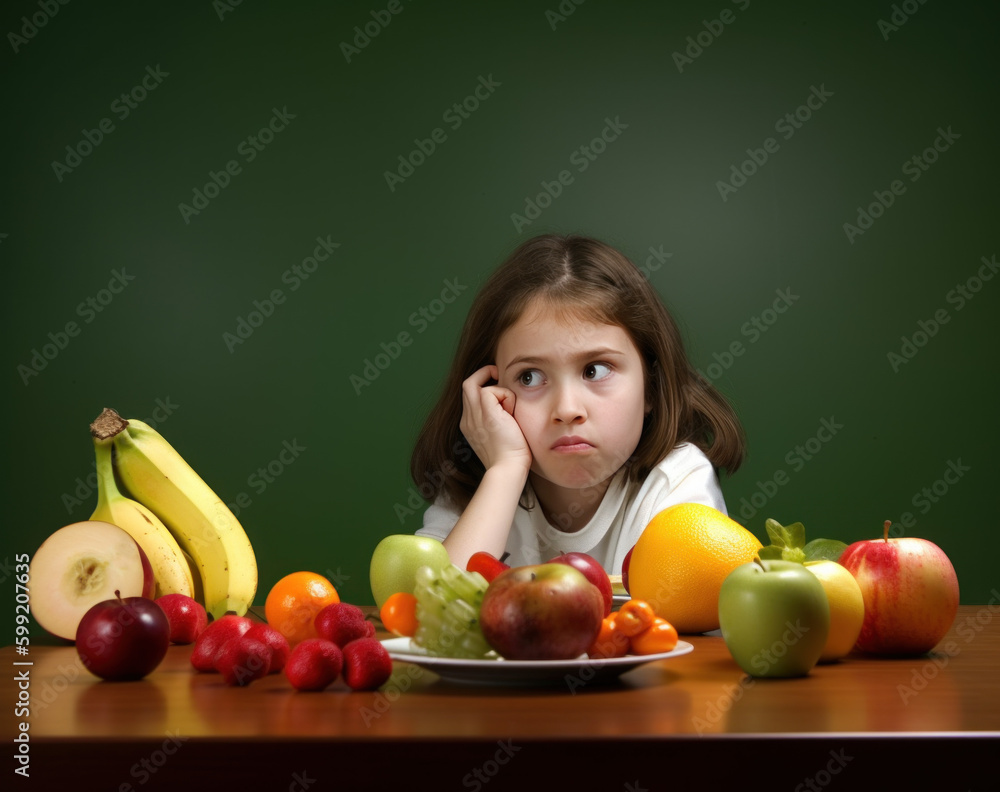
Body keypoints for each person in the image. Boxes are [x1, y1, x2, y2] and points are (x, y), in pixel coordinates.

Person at [410, 233, 746, 574]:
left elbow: (685, 608)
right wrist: (504, 471)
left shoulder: (676, 480)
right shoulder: (478, 484)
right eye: (529, 377)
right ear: (490, 397)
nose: (567, 409)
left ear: (652, 387)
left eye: (595, 370)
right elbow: (433, 609)